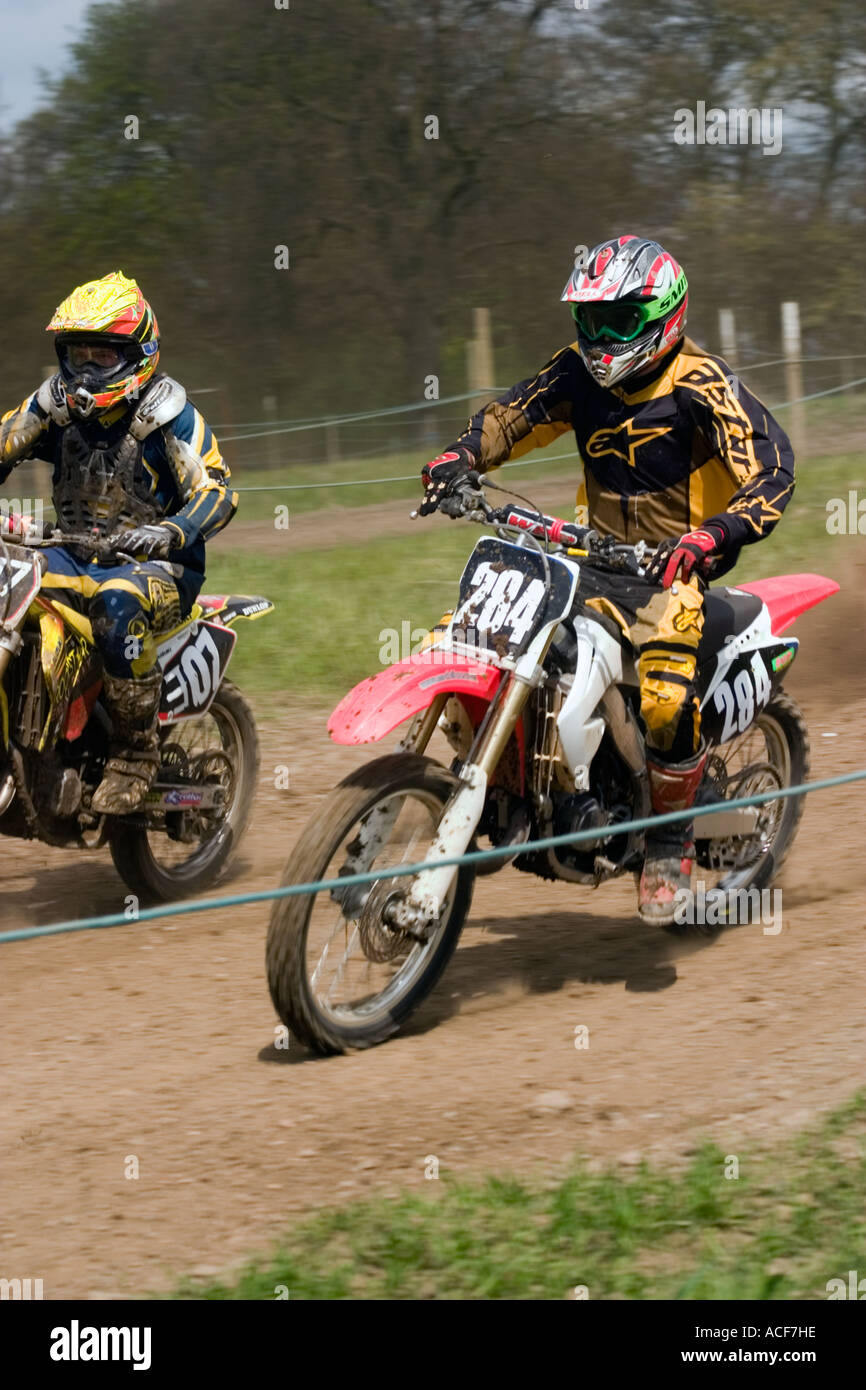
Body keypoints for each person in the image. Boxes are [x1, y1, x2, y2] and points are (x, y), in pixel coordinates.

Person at [418, 235, 795, 924]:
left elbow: (772, 470)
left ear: (662, 314)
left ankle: (667, 846)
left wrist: (712, 536)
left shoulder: (700, 383)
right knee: (472, 640)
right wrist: (459, 455)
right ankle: (516, 790)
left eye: (617, 320)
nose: (600, 337)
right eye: (590, 320)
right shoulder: (577, 376)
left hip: (672, 576)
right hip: (589, 562)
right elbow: (513, 417)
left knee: (663, 697)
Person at [0, 270, 237, 814]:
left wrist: (171, 530)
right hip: (73, 549)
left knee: (114, 607)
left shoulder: (170, 418)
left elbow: (217, 492)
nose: (85, 372)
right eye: (76, 354)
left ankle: (136, 751)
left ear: (139, 354)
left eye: (101, 358)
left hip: (158, 569)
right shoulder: (54, 406)